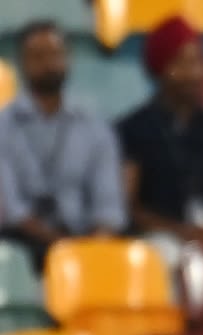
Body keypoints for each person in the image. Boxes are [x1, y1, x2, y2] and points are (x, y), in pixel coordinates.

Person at [0, 20, 125, 269]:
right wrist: (62, 247)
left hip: (84, 243)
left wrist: (91, 246)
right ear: (22, 63)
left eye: (55, 54)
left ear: (68, 58)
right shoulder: (4, 126)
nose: (47, 63)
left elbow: (109, 206)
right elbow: (10, 209)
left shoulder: (95, 128)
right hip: (21, 244)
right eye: (37, 56)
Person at [117, 16, 203, 259]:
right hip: (162, 236)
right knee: (166, 257)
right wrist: (181, 231)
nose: (192, 73)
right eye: (181, 63)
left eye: (198, 62)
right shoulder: (133, 129)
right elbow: (130, 207)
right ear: (160, 68)